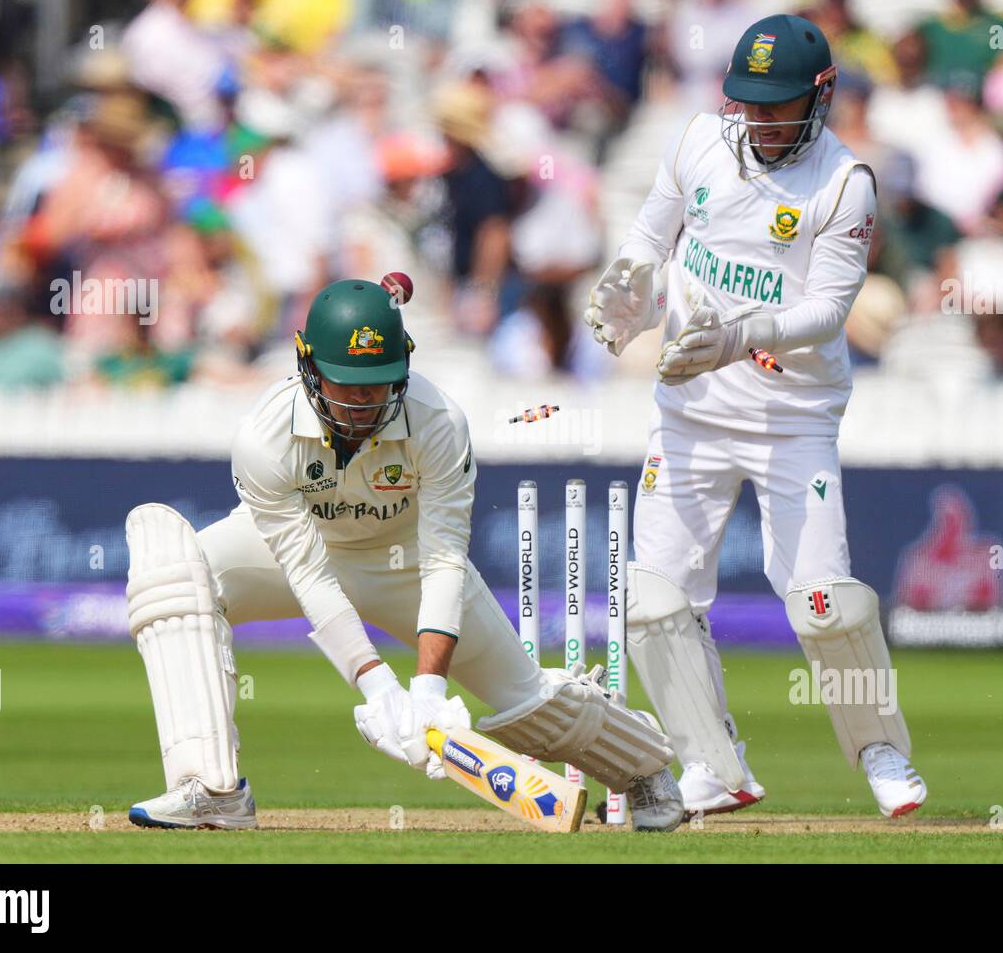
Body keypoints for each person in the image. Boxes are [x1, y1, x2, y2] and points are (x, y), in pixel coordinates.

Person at [124, 277, 684, 831]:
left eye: (379, 383)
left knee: (525, 700)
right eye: (346, 384)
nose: (364, 402)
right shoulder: (264, 438)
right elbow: (307, 572)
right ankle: (212, 790)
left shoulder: (438, 422)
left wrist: (427, 690)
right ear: (308, 366)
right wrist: (378, 685)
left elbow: (443, 558)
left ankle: (645, 770)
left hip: (409, 561)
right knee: (174, 575)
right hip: (291, 554)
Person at [582, 14, 927, 819]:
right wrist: (629, 291)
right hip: (689, 412)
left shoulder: (844, 184)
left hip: (792, 417)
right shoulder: (699, 140)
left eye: (779, 105)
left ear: (822, 94)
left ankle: (881, 750)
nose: (762, 120)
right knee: (655, 599)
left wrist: (737, 338)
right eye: (750, 102)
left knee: (823, 602)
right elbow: (647, 236)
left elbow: (829, 308)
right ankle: (714, 763)